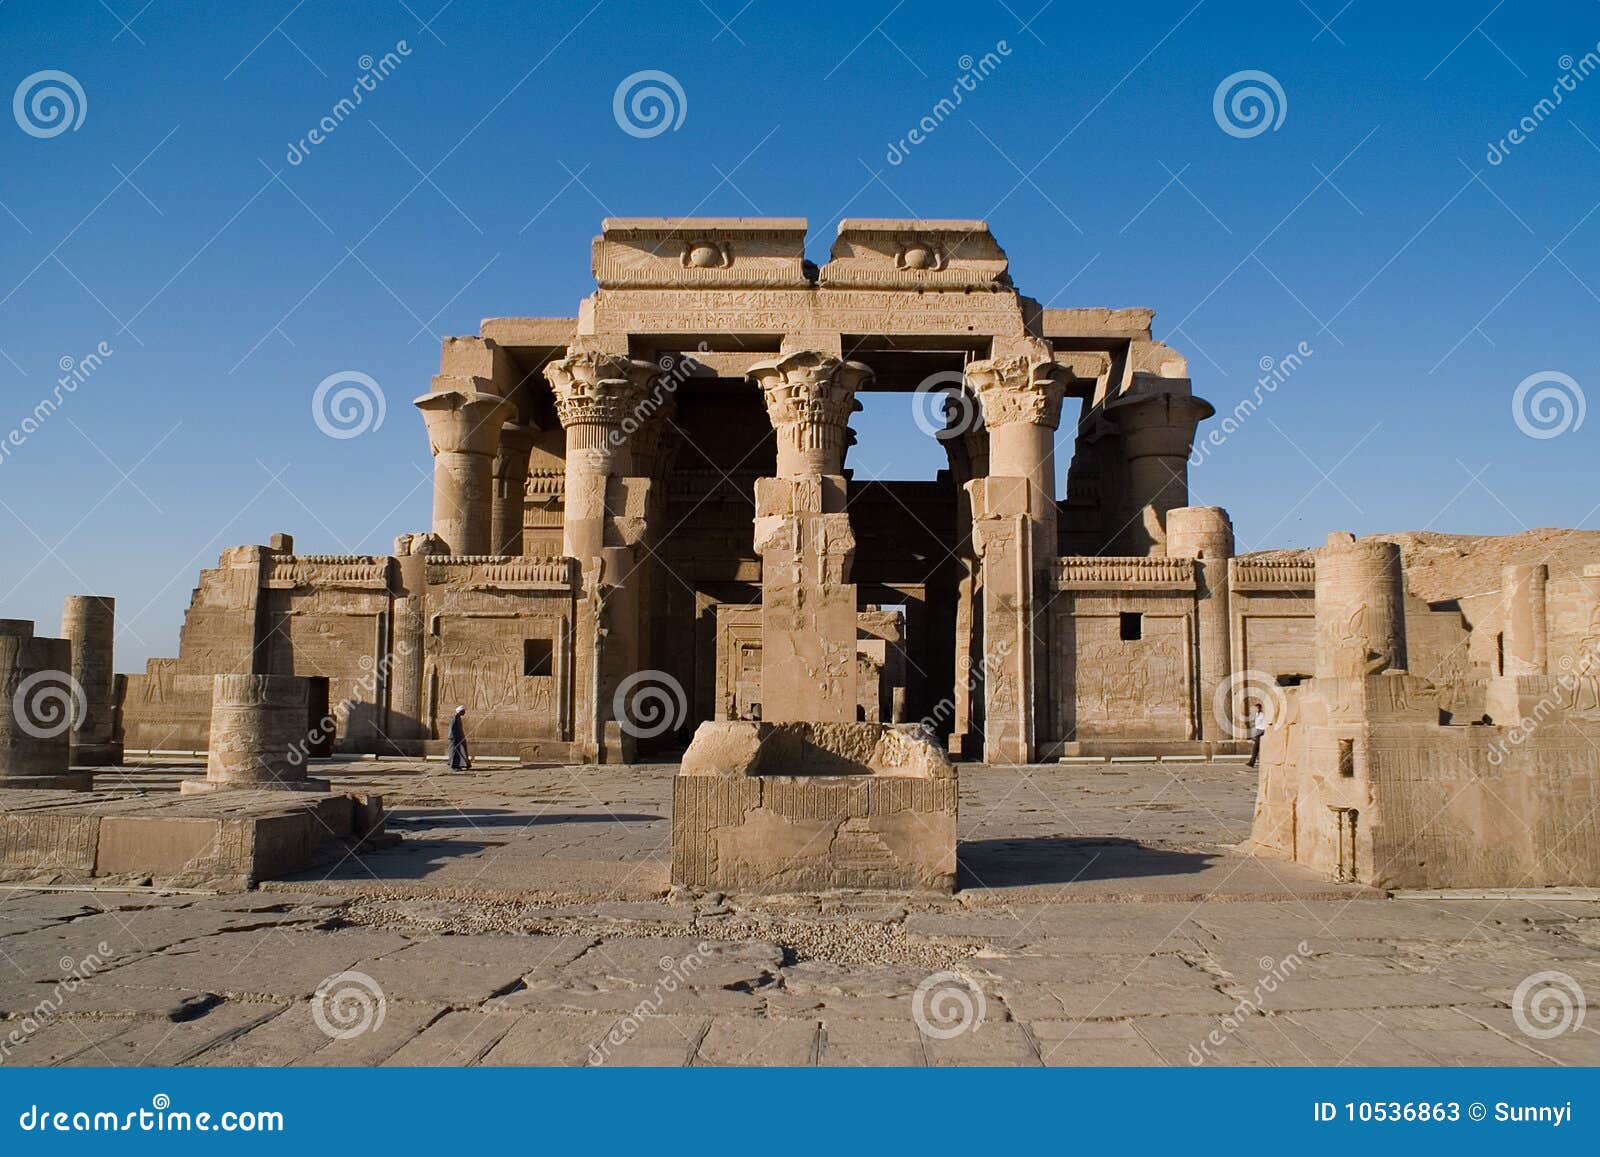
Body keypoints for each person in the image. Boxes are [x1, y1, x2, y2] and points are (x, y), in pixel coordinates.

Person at [448, 705, 472, 772]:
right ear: (460, 711)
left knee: (460, 752)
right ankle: (454, 766)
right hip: (454, 738)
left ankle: (461, 765)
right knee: (454, 753)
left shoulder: (458, 718)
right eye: (463, 711)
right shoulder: (454, 718)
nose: (464, 712)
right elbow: (452, 729)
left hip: (459, 738)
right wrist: (454, 738)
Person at [1246, 701, 1267, 768]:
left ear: (1260, 708)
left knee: (1255, 748)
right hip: (1257, 731)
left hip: (1261, 731)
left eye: (1257, 708)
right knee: (1257, 748)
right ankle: (1253, 762)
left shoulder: (1262, 715)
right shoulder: (1256, 715)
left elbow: (1264, 723)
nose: (1256, 709)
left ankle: (1251, 762)